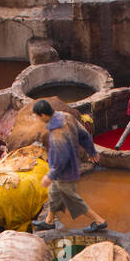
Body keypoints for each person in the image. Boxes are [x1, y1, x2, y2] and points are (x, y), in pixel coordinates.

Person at [31, 99, 106, 232]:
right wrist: (91, 151)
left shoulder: (57, 131)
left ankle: (99, 221)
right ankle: (49, 221)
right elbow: (84, 134)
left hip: (65, 170)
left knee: (72, 198)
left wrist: (50, 175)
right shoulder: (65, 116)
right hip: (69, 164)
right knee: (54, 193)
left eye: (36, 116)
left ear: (43, 115)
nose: (36, 118)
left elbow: (61, 157)